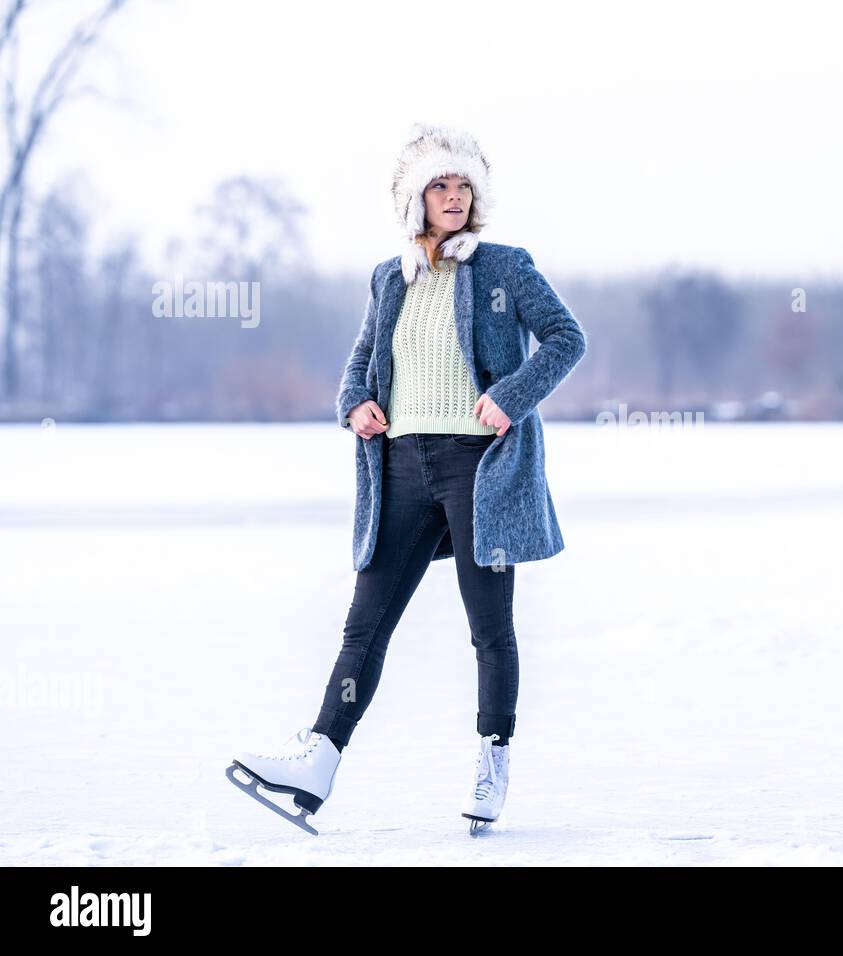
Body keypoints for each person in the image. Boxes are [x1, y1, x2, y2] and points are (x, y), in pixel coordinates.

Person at [229, 123, 587, 835]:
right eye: (439, 186)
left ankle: (492, 763)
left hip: (478, 470)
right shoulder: (391, 277)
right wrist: (353, 403)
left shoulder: (505, 266)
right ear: (414, 199)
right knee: (364, 627)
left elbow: (566, 339)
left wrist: (510, 395)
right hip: (400, 467)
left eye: (463, 187)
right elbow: (362, 361)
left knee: (490, 627)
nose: (453, 198)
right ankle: (319, 760)